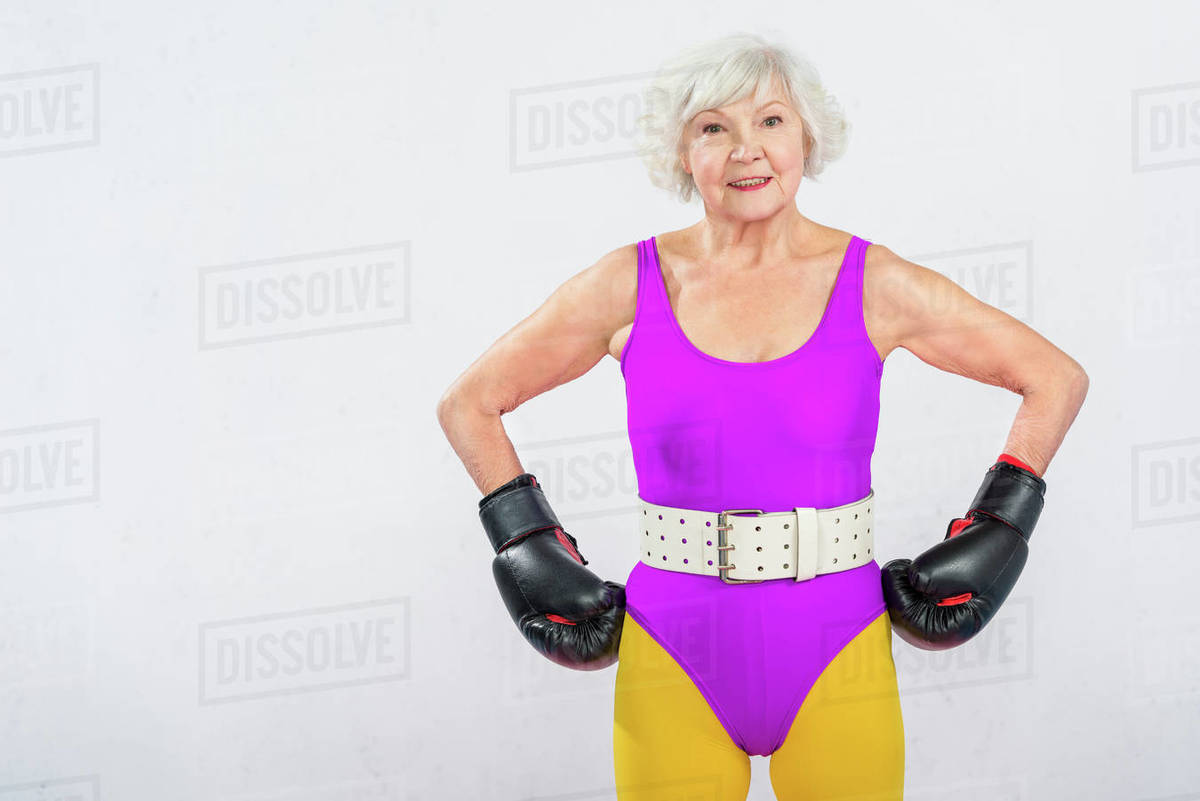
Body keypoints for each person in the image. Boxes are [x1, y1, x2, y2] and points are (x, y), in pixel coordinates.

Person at [436, 31, 1088, 801]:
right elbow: (468, 404)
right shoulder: (627, 285)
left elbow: (1054, 377)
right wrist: (528, 540)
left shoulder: (875, 282)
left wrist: (996, 529)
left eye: (771, 121)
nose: (747, 150)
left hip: (836, 642)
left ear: (807, 136)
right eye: (715, 127)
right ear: (683, 151)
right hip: (672, 646)